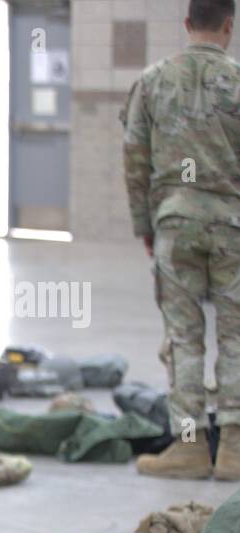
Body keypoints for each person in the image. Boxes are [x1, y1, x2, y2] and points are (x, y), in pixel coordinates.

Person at [125, 0, 240, 480]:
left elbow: (135, 160)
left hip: (175, 221)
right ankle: (234, 446)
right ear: (229, 26)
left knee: (184, 337)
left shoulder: (152, 80)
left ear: (187, 23)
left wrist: (144, 226)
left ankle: (190, 446)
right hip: (233, 226)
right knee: (236, 335)